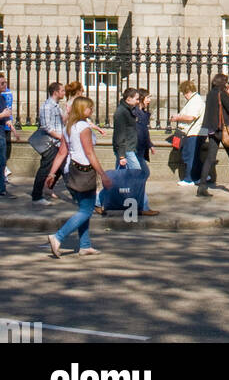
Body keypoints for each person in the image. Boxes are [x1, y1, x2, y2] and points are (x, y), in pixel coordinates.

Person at [44, 97, 110, 257]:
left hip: (70, 171)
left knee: (83, 208)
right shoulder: (83, 127)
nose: (92, 110)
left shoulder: (69, 126)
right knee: (87, 210)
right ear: (82, 109)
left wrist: (52, 173)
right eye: (89, 108)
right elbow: (89, 153)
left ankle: (85, 245)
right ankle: (58, 236)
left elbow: (62, 153)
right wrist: (102, 174)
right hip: (84, 171)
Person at [104, 87, 158, 216]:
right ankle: (143, 206)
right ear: (128, 99)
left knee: (119, 179)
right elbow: (119, 135)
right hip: (127, 150)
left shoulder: (129, 111)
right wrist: (122, 155)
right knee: (139, 175)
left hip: (130, 149)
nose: (139, 100)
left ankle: (98, 201)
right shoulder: (121, 112)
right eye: (136, 98)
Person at [196, 73, 229, 197]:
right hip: (222, 129)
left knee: (210, 158)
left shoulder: (210, 93)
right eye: (226, 82)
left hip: (211, 130)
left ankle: (202, 186)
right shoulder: (223, 94)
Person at [31, 82, 65, 205]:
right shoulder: (47, 106)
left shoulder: (57, 106)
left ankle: (48, 188)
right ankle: (36, 196)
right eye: (62, 91)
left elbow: (62, 123)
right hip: (50, 143)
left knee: (61, 168)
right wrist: (62, 138)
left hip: (58, 143)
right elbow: (47, 127)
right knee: (45, 169)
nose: (64, 93)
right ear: (55, 92)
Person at [169, 80, 206, 186]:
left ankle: (189, 179)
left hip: (193, 133)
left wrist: (177, 117)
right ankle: (199, 176)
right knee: (194, 156)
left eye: (183, 93)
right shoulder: (195, 100)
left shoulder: (195, 101)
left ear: (187, 91)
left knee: (188, 156)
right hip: (194, 132)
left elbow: (190, 117)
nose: (184, 95)